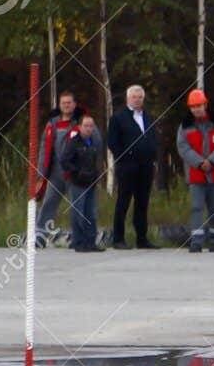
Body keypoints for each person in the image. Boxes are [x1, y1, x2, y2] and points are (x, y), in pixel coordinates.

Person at [175, 89, 214, 253]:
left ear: (205, 105)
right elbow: (183, 148)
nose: (196, 109)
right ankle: (197, 241)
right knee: (196, 207)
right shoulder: (184, 126)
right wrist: (200, 163)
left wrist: (212, 161)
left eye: (199, 105)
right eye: (193, 107)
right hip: (196, 173)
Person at [106, 84, 157, 249]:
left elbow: (153, 138)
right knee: (123, 201)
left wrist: (152, 155)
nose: (137, 100)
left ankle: (142, 239)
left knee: (142, 203)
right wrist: (124, 158)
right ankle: (118, 239)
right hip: (127, 167)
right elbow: (113, 142)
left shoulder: (148, 117)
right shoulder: (118, 118)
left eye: (140, 97)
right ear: (128, 98)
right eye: (134, 97)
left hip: (146, 166)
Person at [35, 90, 84, 247]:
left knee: (76, 204)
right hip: (55, 171)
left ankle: (79, 236)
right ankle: (40, 234)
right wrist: (41, 170)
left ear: (74, 105)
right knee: (49, 201)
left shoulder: (81, 123)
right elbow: (44, 147)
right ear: (60, 105)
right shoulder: (52, 124)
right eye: (64, 103)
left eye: (69, 102)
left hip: (74, 172)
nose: (66, 105)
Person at [58, 115, 104, 252]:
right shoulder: (73, 142)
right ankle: (78, 242)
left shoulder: (93, 143)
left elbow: (95, 162)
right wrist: (77, 173)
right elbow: (64, 160)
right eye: (86, 126)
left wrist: (95, 175)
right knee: (78, 213)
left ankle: (91, 242)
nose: (89, 129)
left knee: (91, 213)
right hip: (77, 183)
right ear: (79, 127)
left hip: (90, 183)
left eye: (91, 126)